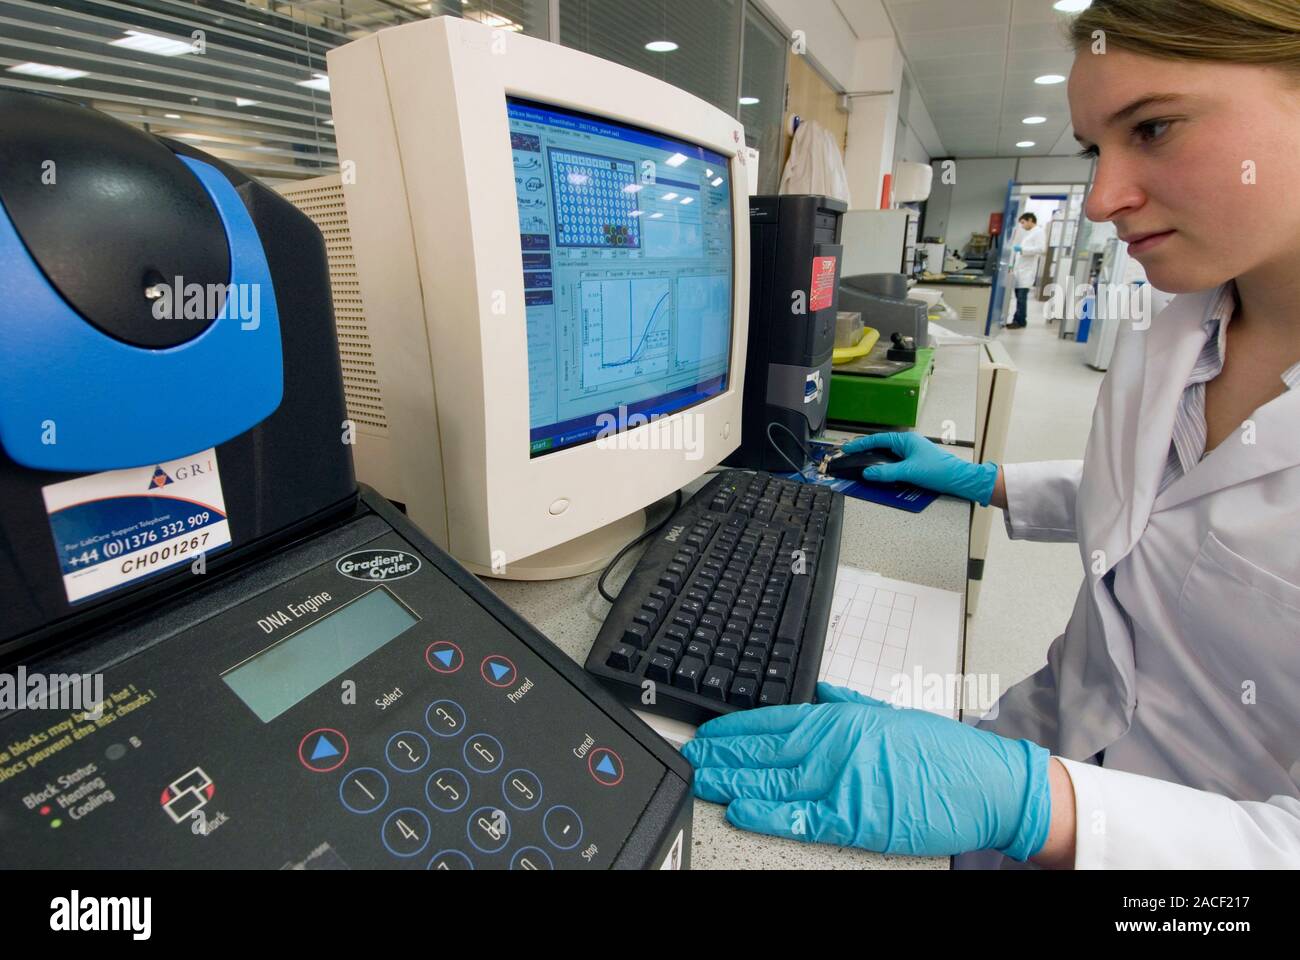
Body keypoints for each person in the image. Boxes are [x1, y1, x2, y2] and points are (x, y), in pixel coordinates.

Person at [682, 0, 1300, 868]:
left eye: (1154, 128)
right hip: (1032, 754)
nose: (1101, 199)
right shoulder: (1178, 323)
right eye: (1094, 150)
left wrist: (1043, 807)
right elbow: (1162, 513)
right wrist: (991, 481)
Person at [1008, 213, 1046, 328]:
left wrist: (1022, 249)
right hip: (1021, 271)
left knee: (1021, 298)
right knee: (1019, 297)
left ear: (1030, 220)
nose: (1022, 225)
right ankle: (1019, 320)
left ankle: (1019, 321)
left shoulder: (1039, 232)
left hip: (1027, 272)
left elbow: (1040, 249)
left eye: (1023, 222)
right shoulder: (1030, 233)